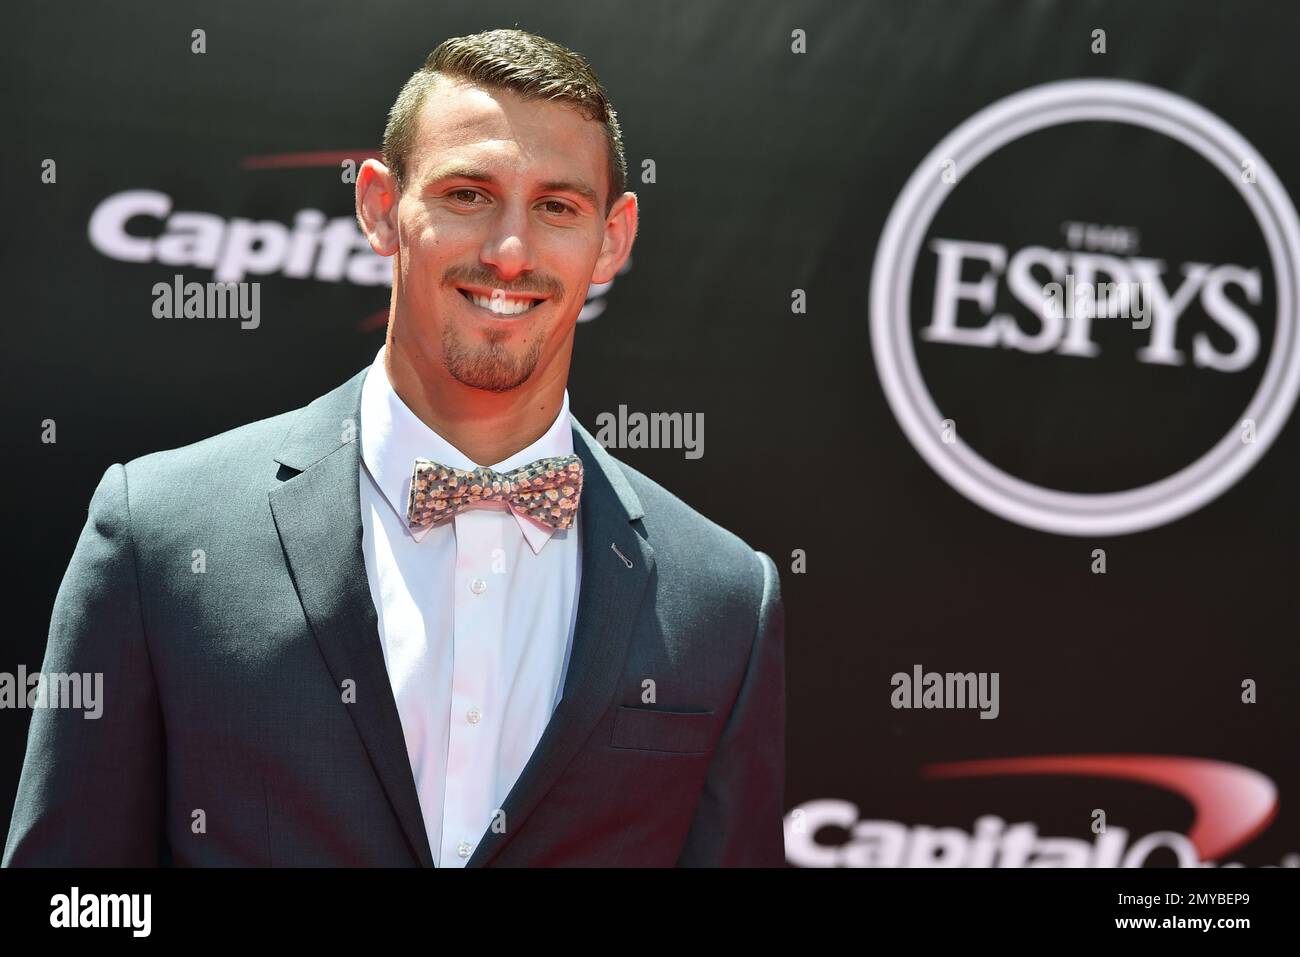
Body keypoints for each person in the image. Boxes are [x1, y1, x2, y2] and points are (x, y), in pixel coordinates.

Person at [3, 28, 785, 867]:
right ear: (380, 206)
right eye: (468, 194)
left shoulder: (724, 599)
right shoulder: (159, 534)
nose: (510, 253)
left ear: (614, 237)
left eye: (557, 206)